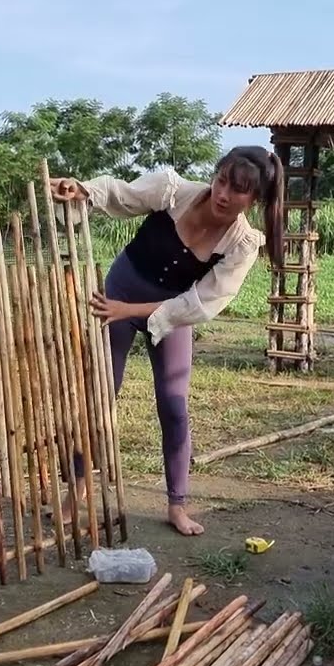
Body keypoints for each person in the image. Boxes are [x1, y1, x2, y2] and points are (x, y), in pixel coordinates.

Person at [48, 146, 285, 536]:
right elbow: (120, 193)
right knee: (101, 391)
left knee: (174, 406)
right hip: (118, 292)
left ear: (254, 199)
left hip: (171, 311)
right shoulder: (172, 191)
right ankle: (77, 491)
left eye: (238, 190)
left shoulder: (241, 244)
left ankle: (178, 505)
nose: (223, 194)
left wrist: (133, 311)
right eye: (221, 180)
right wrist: (82, 191)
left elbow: (201, 303)